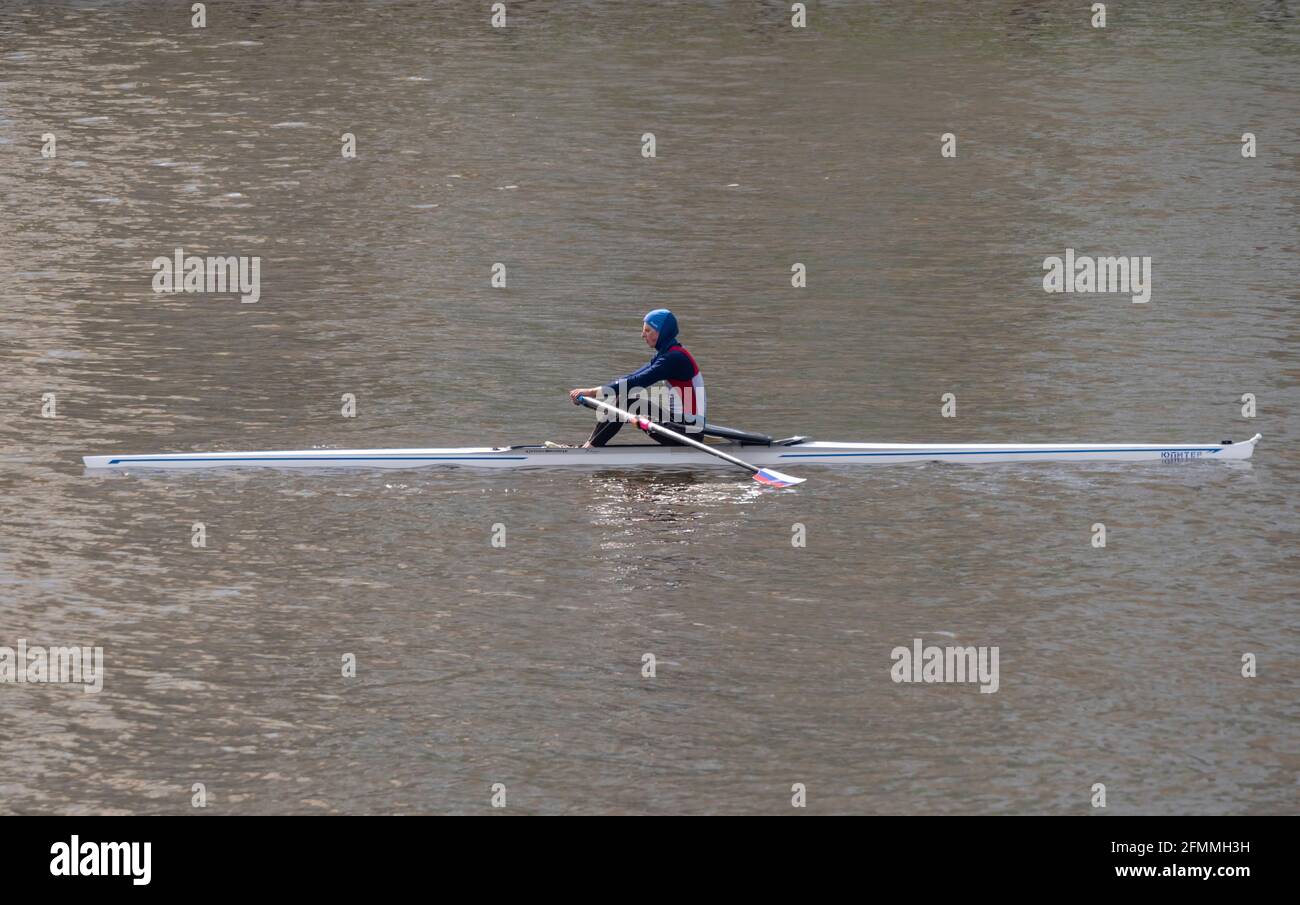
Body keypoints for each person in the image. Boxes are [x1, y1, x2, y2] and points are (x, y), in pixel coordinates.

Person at [568, 309, 706, 447]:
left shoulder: (674, 358)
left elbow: (637, 382)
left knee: (626, 401)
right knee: (624, 398)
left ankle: (589, 449)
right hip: (678, 424)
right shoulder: (667, 354)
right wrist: (589, 398)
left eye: (648, 330)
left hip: (688, 432)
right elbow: (632, 377)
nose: (642, 335)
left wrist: (591, 392)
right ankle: (589, 445)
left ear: (661, 332)